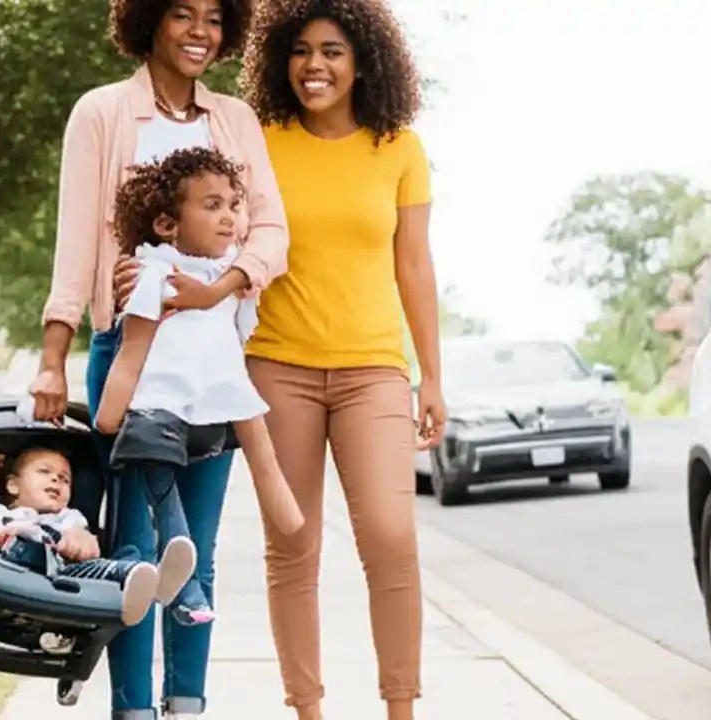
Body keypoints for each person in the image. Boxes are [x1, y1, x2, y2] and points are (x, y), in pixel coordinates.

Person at [29, 0, 288, 716]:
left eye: (213, 16)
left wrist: (219, 291)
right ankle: (133, 708)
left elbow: (271, 231)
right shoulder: (102, 112)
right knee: (136, 548)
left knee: (196, 551)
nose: (200, 30)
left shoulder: (235, 120)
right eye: (182, 13)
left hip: (215, 363)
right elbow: (76, 239)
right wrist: (54, 352)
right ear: (149, 19)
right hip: (130, 353)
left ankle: (187, 704)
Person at [238, 1, 446, 718]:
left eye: (331, 50)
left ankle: (400, 707)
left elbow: (414, 267)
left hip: (373, 372)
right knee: (292, 548)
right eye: (299, 51)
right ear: (279, 60)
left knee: (391, 538)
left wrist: (432, 377)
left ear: (364, 61)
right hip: (276, 367)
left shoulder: (400, 148)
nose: (314, 66)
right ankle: (308, 710)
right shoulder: (259, 143)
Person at [94, 147, 304, 627]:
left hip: (221, 400)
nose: (229, 217)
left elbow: (239, 337)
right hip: (161, 407)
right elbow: (132, 352)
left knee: (263, 455)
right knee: (161, 485)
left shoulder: (229, 279)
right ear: (168, 224)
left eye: (233, 204)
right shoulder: (155, 276)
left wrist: (224, 288)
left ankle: (286, 520)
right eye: (212, 206)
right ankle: (185, 591)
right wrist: (107, 421)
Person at [0, 445, 197, 630]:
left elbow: (89, 548)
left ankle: (154, 583)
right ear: (13, 485)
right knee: (24, 545)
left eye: (65, 479)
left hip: (67, 574)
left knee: (112, 566)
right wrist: (24, 533)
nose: (56, 479)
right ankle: (147, 584)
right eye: (44, 471)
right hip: (16, 574)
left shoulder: (69, 518)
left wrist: (79, 543)